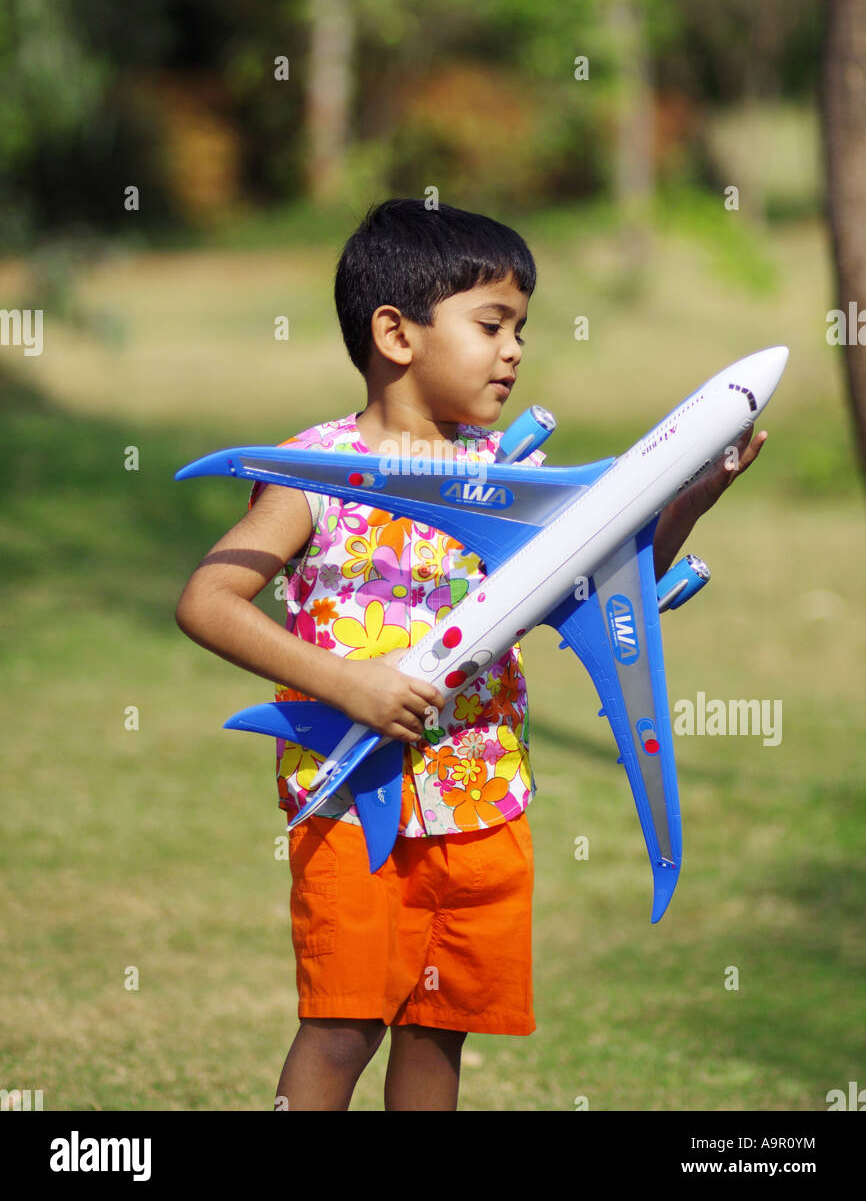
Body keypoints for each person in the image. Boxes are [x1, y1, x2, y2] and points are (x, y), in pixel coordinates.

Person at [175, 198, 767, 1111]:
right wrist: (351, 686)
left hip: (485, 802)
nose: (515, 349)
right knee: (341, 1028)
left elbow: (600, 588)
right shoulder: (314, 468)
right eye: (491, 324)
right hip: (352, 801)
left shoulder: (512, 479)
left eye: (521, 327)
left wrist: (689, 496)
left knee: (437, 1036)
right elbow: (207, 601)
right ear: (396, 334)